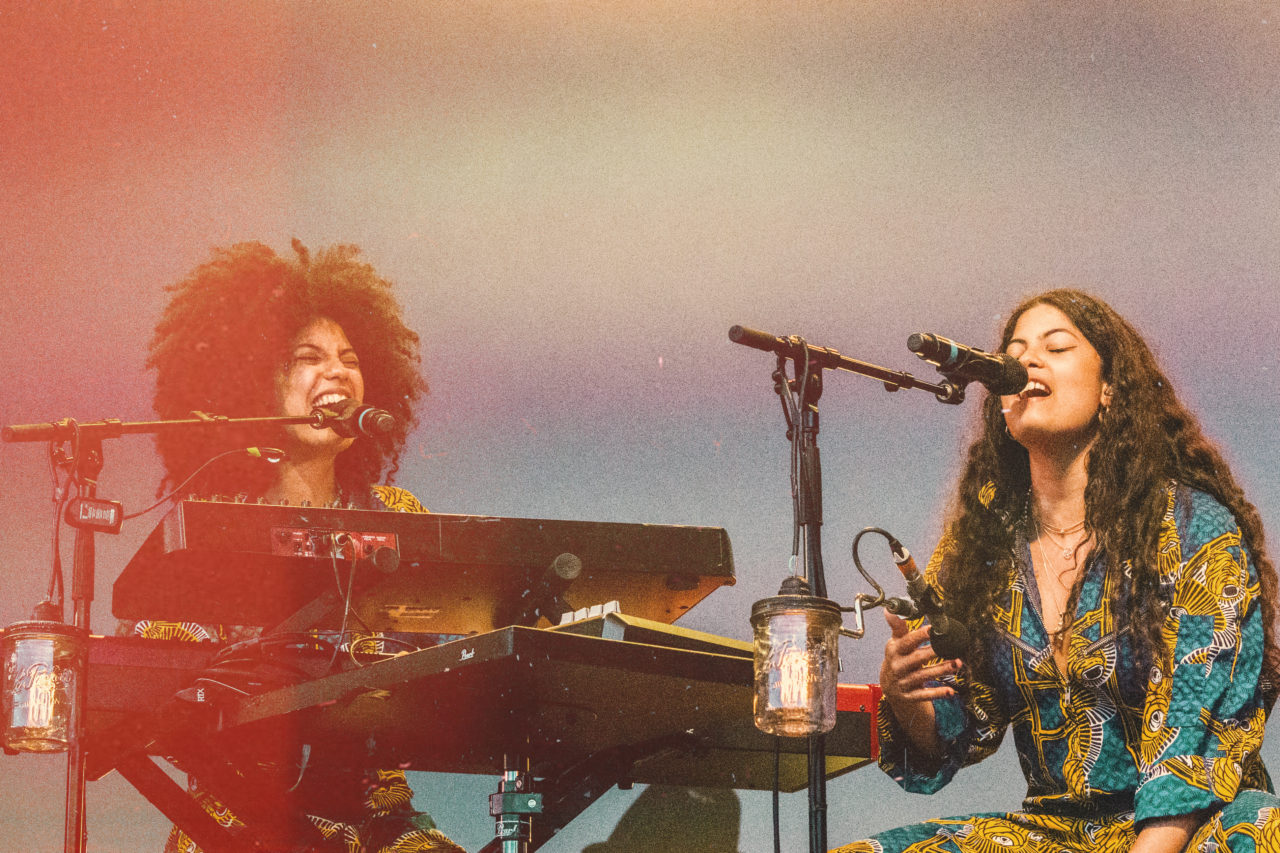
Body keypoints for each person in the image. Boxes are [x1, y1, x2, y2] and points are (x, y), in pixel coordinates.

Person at [834, 290, 1279, 853]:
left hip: (1193, 829)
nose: (1027, 363)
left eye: (1057, 347)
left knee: (1262, 828)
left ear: (1110, 388)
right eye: (1015, 353)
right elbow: (953, 734)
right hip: (1058, 831)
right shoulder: (981, 546)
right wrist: (907, 695)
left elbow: (1194, 728)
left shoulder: (1192, 526)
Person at [120, 240, 465, 853]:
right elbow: (151, 684)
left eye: (351, 359)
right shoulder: (214, 526)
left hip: (381, 820)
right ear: (253, 382)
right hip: (237, 820)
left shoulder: (398, 516)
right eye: (308, 358)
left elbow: (459, 653)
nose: (337, 372)